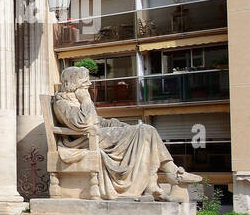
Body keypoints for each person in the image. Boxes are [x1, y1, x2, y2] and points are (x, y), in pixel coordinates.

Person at [52, 65, 199, 200]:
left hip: (98, 134)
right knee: (145, 131)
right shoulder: (62, 102)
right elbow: (82, 123)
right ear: (74, 83)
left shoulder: (76, 100)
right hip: (84, 140)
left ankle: (157, 180)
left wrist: (118, 124)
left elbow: (97, 120)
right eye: (85, 82)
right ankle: (171, 175)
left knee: (147, 130)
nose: (89, 84)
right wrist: (85, 100)